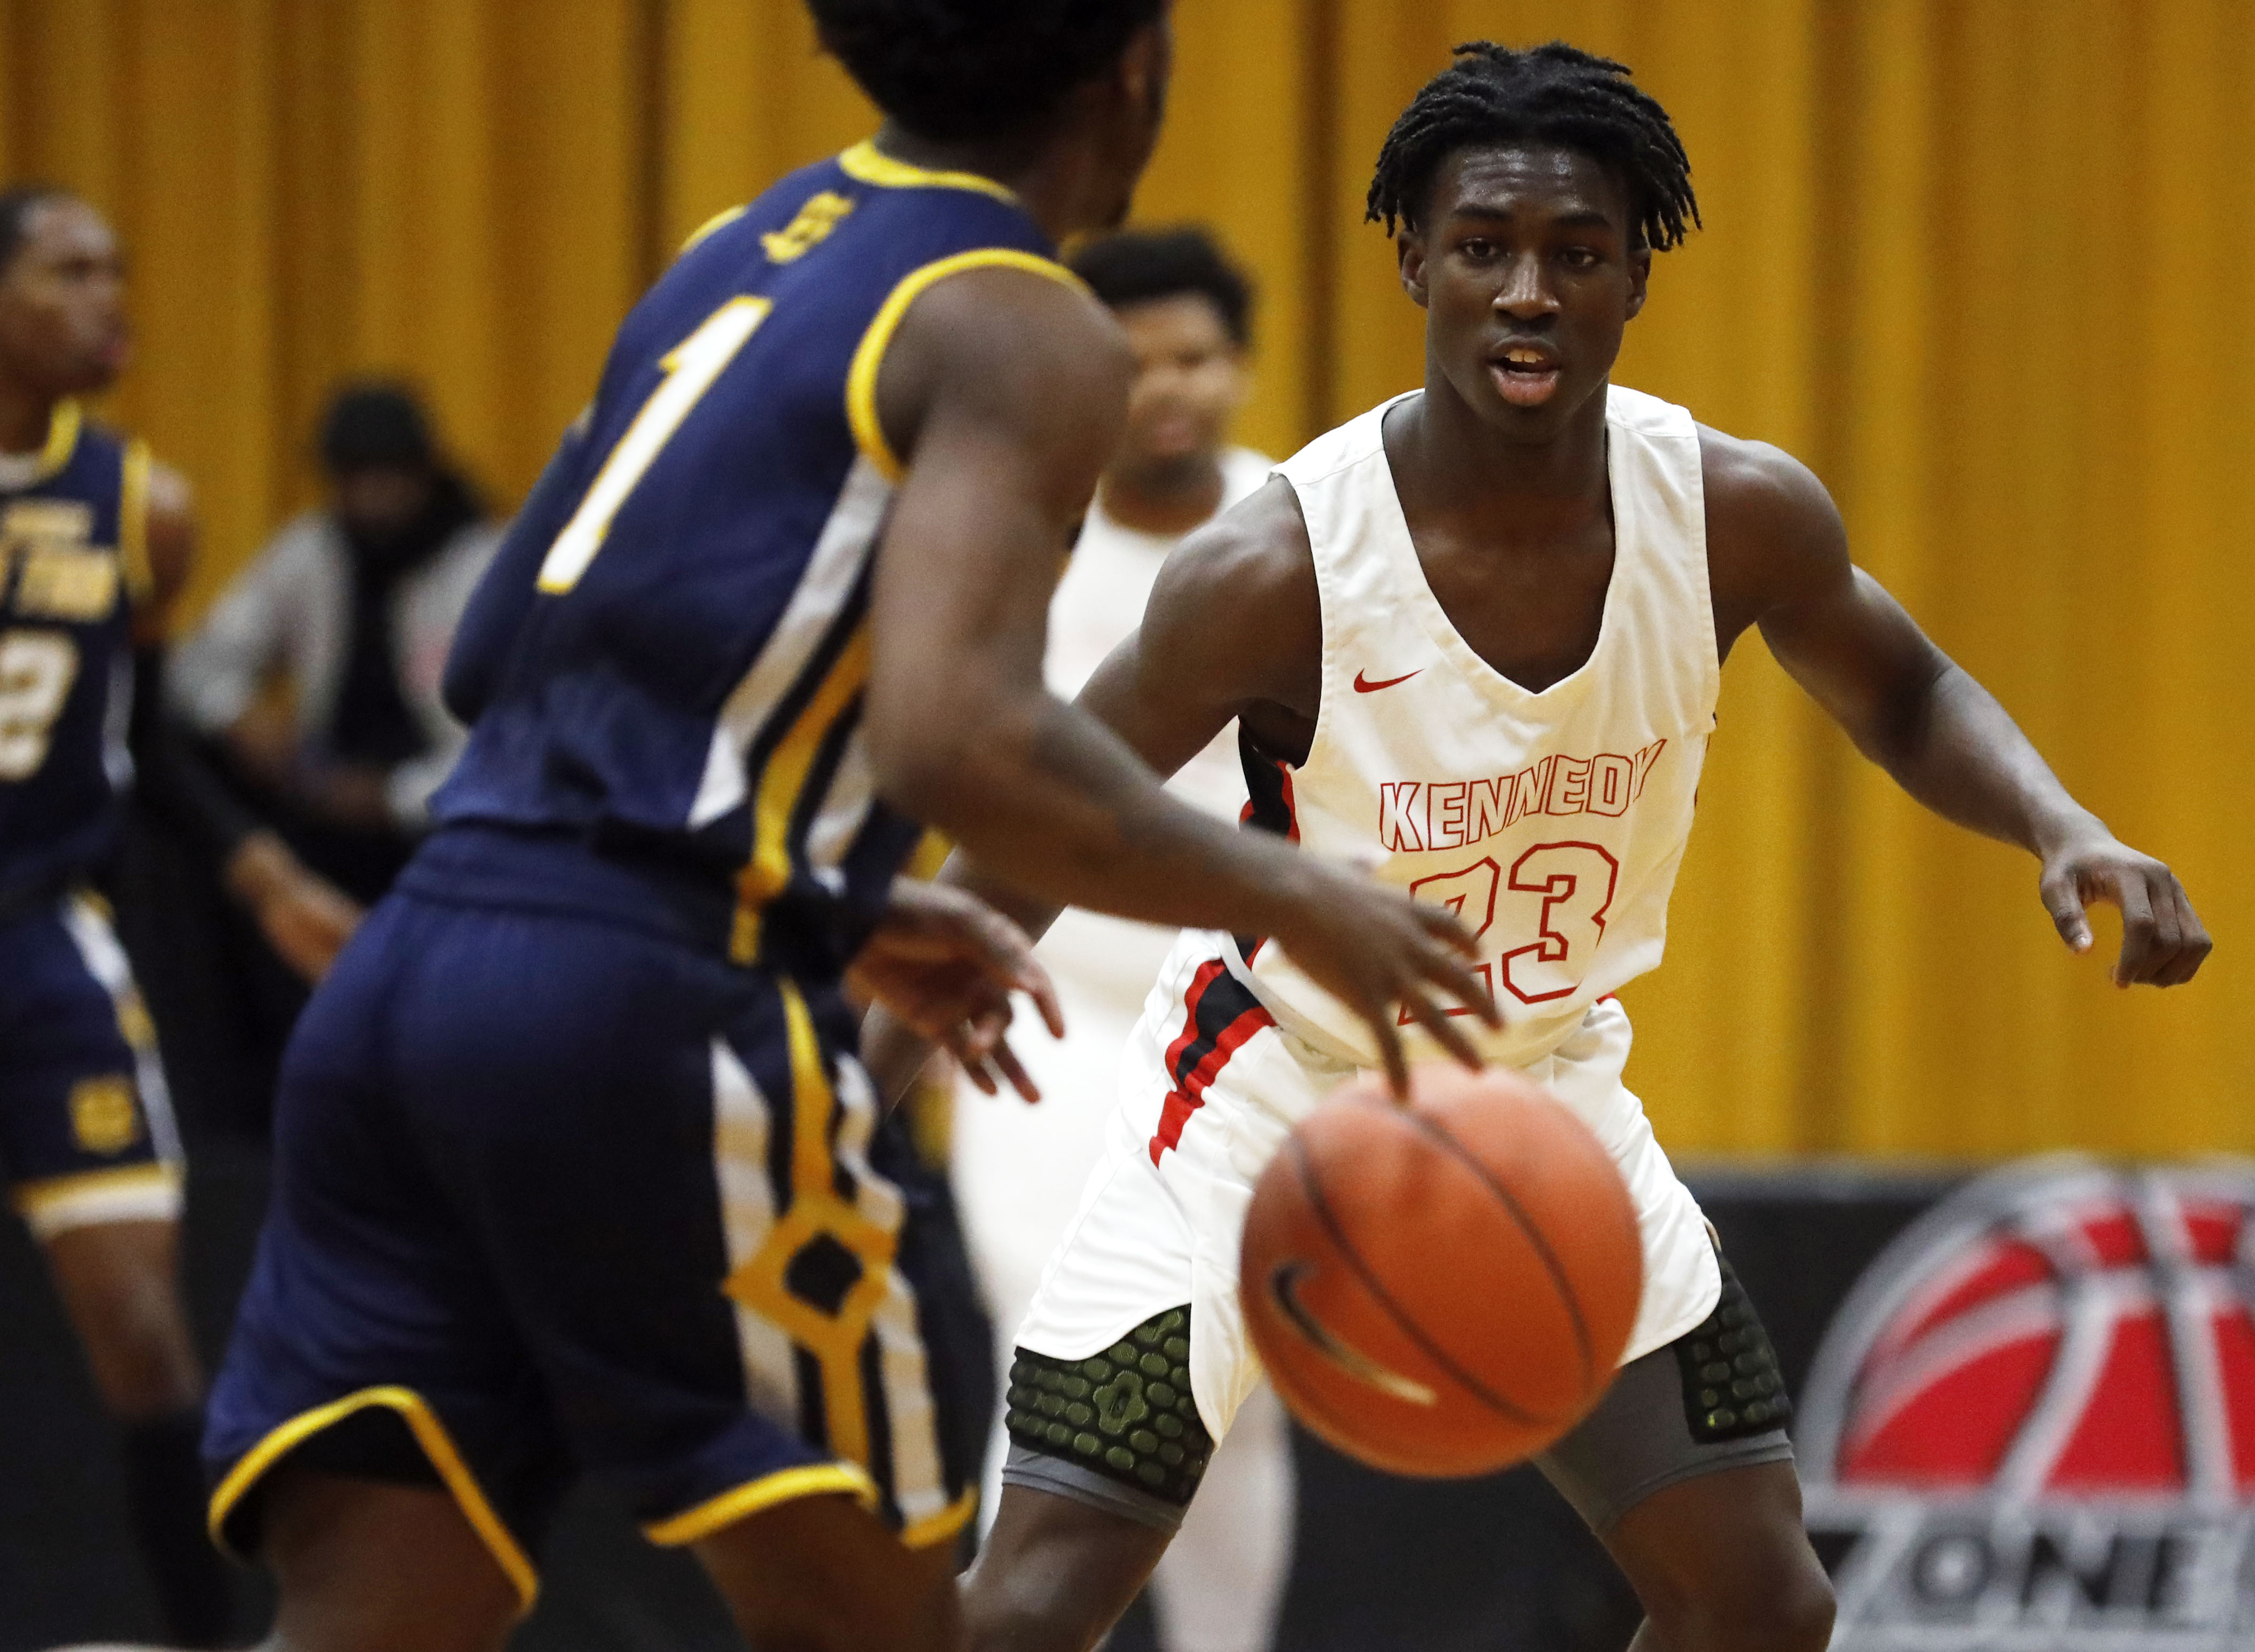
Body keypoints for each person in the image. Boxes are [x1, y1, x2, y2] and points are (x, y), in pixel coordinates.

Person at [191, 4, 1490, 1650]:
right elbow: (959, 731)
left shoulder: (742, 245)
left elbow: (503, 645)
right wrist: (1287, 889)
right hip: (638, 1014)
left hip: (415, 971)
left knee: (368, 1625)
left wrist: (812, 880)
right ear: (1133, 67)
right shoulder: (1026, 322)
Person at [937, 43, 2212, 1652]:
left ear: (1635, 278)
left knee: (1758, 1599)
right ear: (1416, 260)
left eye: (1577, 254)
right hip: (1263, 1087)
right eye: (1484, 249)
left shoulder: (1734, 511)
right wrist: (917, 973)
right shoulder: (1279, 561)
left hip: (1541, 1090)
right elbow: (1068, 781)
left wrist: (2060, 820)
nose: (1528, 291)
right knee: (1036, 1602)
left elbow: (1908, 686)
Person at [0, 184, 338, 1647]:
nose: (112, 298)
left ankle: (208, 1639)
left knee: (146, 1332)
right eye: (70, 271)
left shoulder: (147, 505)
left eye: (119, 270)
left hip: (40, 936)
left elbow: (149, 741)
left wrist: (263, 872)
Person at [949, 227, 1292, 1652]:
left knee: (1229, 1392)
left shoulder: (1302, 521)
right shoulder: (1015, 529)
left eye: (1196, 355)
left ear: (1240, 367)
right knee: (1066, 1362)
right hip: (1047, 1014)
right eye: (1136, 356)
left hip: (1248, 1022)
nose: (1168, 385)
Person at [171, 381, 503, 909]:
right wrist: (236, 713)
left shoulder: (484, 567)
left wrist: (392, 799)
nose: (372, 495)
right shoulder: (312, 550)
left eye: (389, 475)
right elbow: (195, 664)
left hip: (448, 821)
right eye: (354, 476)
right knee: (179, 751)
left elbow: (510, 744)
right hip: (321, 807)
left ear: (425, 474)